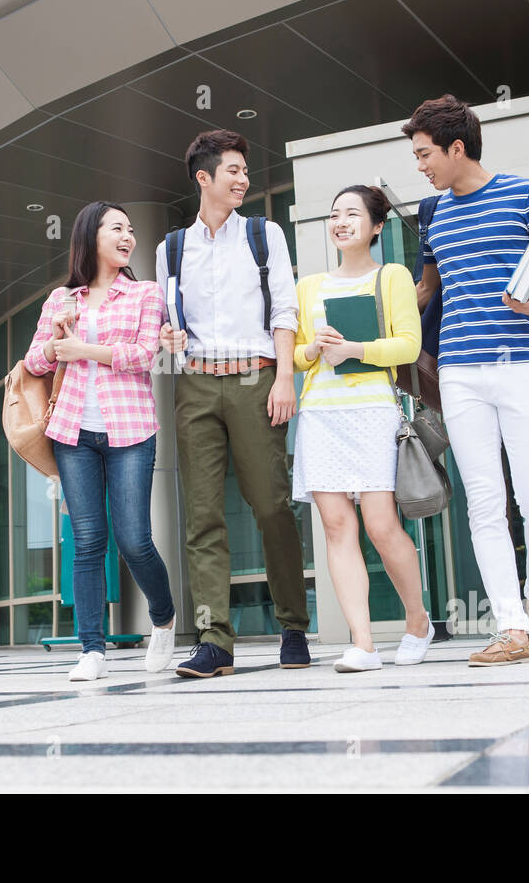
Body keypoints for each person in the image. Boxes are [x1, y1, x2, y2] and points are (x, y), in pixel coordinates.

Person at [406, 94, 529, 666]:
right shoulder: (435, 215)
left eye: (426, 153)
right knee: (485, 501)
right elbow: (427, 291)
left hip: (522, 363)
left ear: (458, 148)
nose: (422, 165)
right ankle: (510, 627)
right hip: (459, 370)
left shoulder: (525, 193)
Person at [157, 129, 311, 678]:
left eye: (246, 171)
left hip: (256, 380)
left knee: (271, 505)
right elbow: (169, 327)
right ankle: (214, 640)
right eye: (233, 171)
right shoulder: (171, 248)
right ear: (204, 178)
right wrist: (168, 340)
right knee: (202, 517)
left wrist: (285, 378)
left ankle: (293, 625)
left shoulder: (264, 236)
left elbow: (285, 312)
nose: (244, 179)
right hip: (194, 385)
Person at [24, 201, 177, 682]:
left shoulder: (145, 294)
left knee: (134, 539)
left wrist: (84, 349)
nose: (127, 236)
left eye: (130, 230)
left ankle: (163, 617)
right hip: (73, 432)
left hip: (131, 429)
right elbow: (33, 363)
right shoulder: (60, 299)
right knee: (88, 540)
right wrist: (54, 343)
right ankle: (91, 648)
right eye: (117, 228)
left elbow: (142, 355)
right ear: (91, 236)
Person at [292, 185, 435, 672]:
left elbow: (407, 347)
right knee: (336, 526)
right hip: (321, 414)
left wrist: (353, 349)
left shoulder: (391, 276)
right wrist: (314, 351)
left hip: (372, 411)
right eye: (334, 214)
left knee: (379, 524)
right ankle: (364, 643)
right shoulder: (309, 285)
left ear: (376, 226)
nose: (340, 221)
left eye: (352, 213)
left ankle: (418, 621)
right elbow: (296, 353)